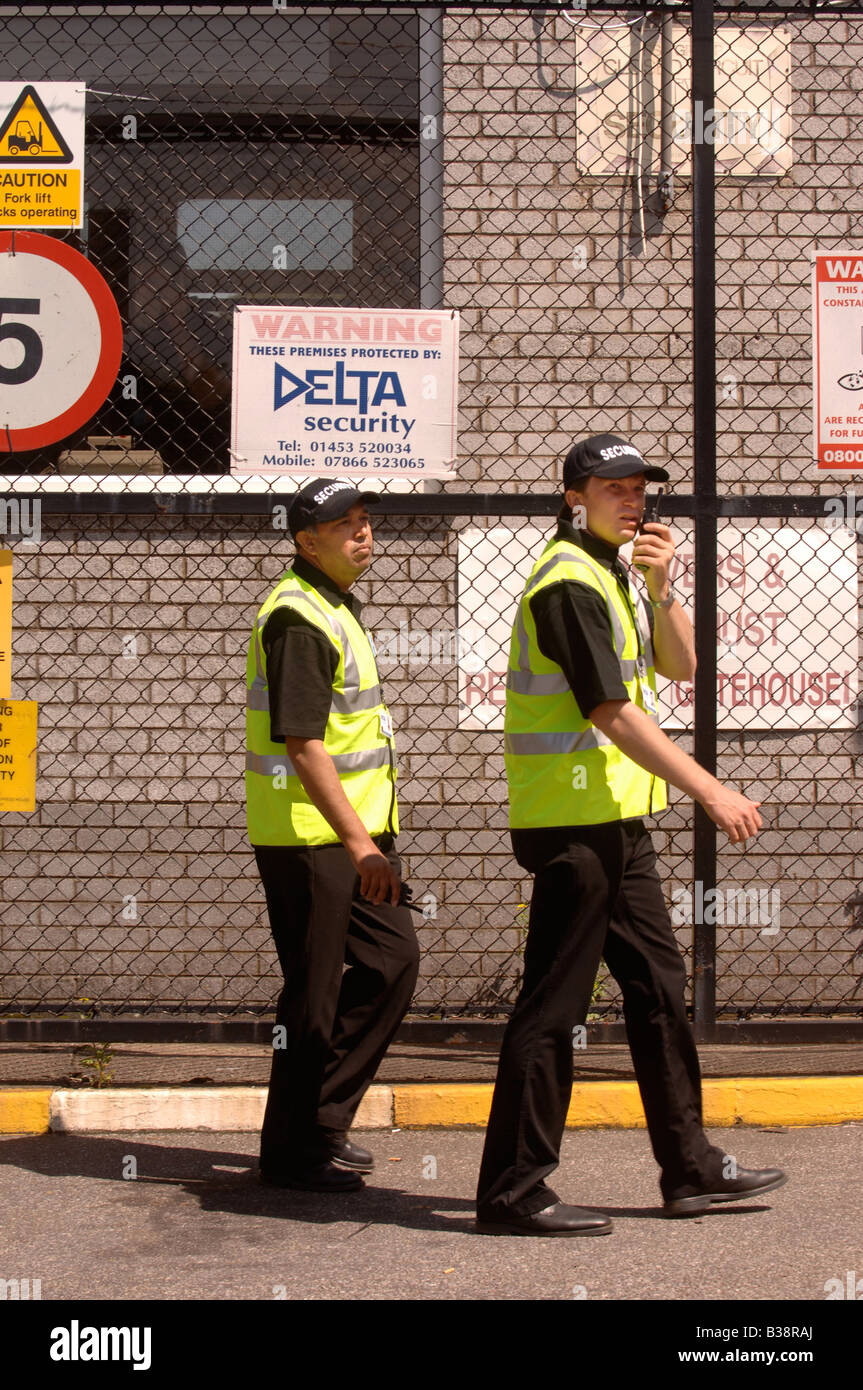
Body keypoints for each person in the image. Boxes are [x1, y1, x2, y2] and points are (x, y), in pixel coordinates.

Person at [475, 433, 787, 1235]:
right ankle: (512, 1191)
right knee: (551, 1010)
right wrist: (710, 788)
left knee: (657, 992)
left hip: (617, 825)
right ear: (571, 496)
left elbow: (681, 667)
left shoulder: (612, 577)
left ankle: (688, 1169)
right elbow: (609, 712)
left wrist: (661, 584)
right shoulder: (567, 584)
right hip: (575, 828)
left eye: (639, 486)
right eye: (613, 487)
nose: (633, 498)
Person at [245, 476, 420, 1191]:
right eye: (344, 525)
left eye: (363, 520)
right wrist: (359, 845)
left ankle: (316, 1124)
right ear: (304, 540)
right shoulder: (298, 618)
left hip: (350, 835)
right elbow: (303, 743)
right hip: (311, 838)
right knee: (313, 996)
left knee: (391, 963)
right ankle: (292, 1154)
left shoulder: (332, 606)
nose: (362, 532)